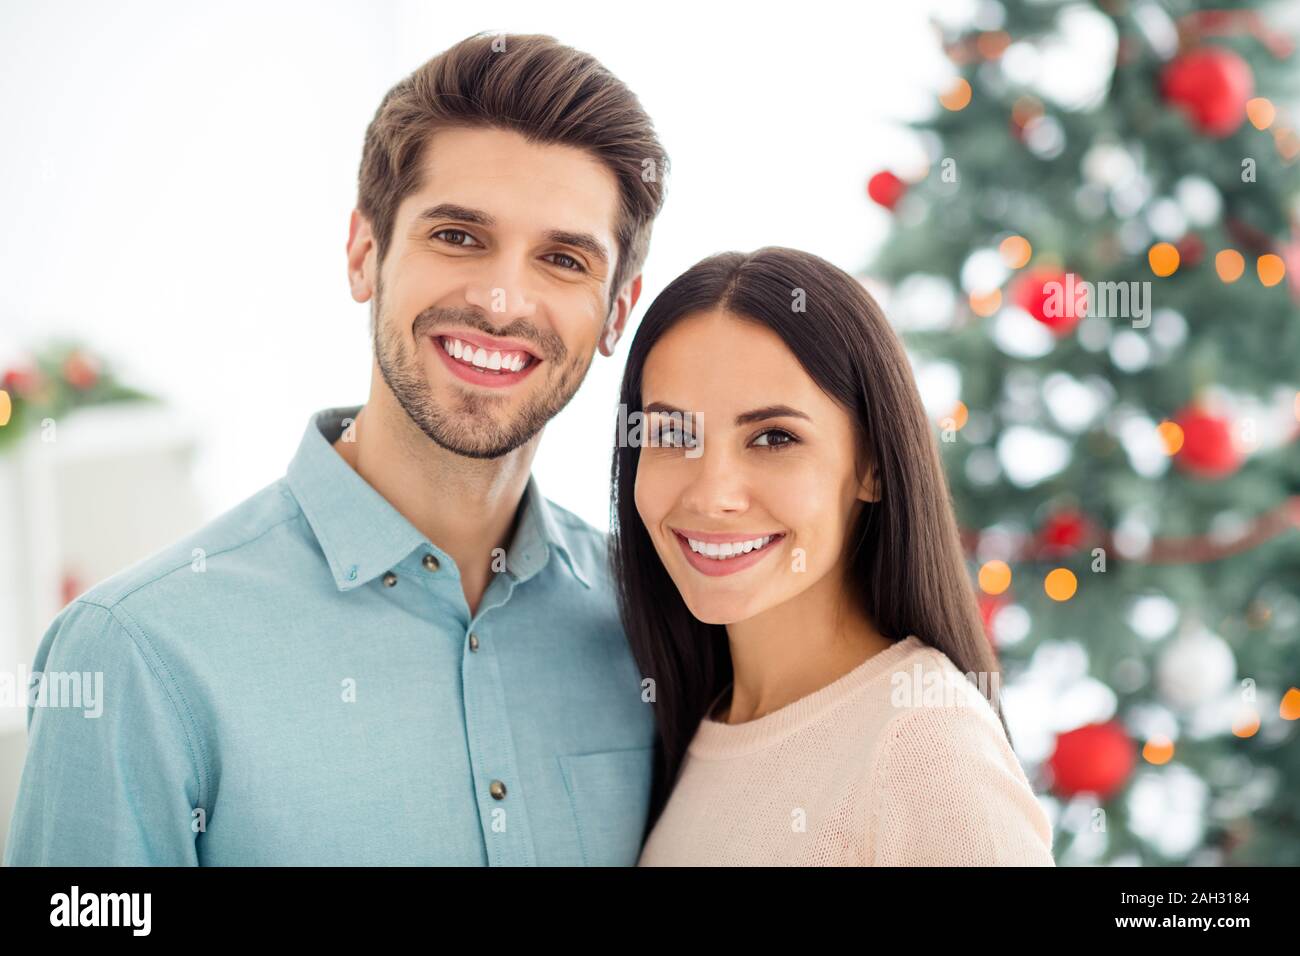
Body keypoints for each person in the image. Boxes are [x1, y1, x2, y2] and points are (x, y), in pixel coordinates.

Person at [5, 32, 668, 866]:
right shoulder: (134, 653)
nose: (503, 301)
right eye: (458, 236)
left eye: (564, 259)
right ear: (365, 254)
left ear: (615, 312)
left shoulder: (653, 625)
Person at [610, 247, 1056, 865]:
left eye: (773, 438)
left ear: (871, 465)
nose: (712, 496)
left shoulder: (924, 743)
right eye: (673, 434)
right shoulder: (702, 723)